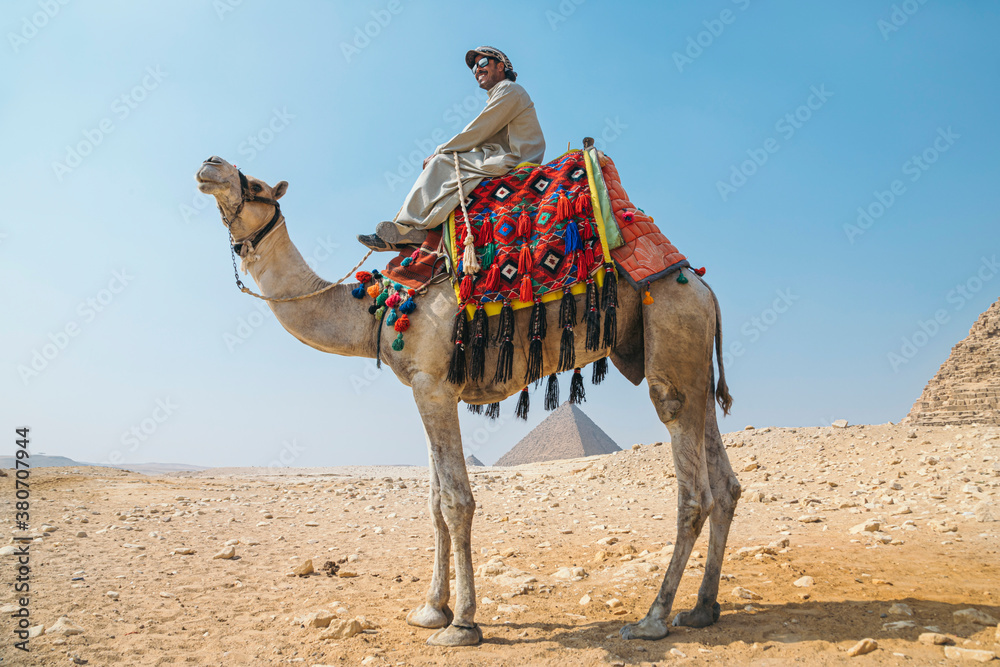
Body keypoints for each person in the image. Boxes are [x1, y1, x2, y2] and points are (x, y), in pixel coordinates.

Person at [358, 46, 546, 251]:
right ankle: (425, 228)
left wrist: (441, 150)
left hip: (513, 158)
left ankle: (406, 226)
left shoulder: (510, 89)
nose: (477, 70)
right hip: (497, 157)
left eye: (483, 63)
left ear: (500, 67)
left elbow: (479, 129)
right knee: (452, 176)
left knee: (442, 163)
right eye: (474, 68)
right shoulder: (500, 94)